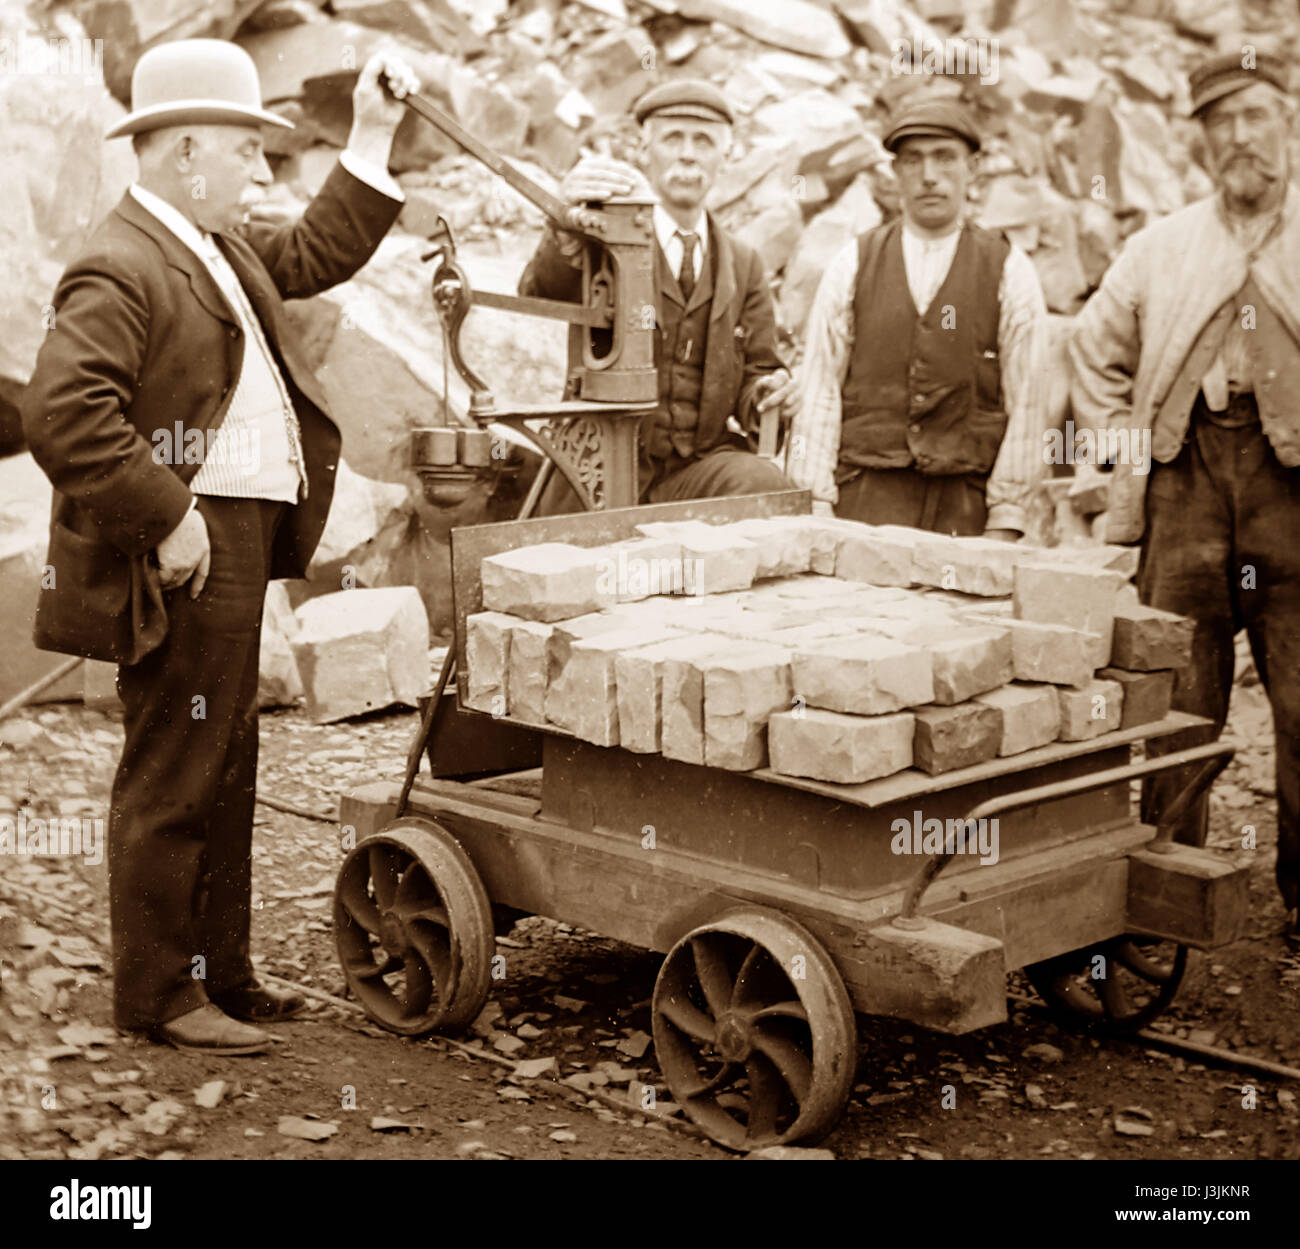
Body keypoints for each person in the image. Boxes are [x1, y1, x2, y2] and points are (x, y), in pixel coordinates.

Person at [21, 39, 420, 1053]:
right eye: (247, 150)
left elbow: (314, 253)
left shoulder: (214, 245)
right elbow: (65, 416)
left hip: (232, 538)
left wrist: (373, 134)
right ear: (187, 149)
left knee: (229, 757)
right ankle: (158, 994)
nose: (260, 170)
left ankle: (219, 972)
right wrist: (167, 513)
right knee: (174, 768)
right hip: (185, 548)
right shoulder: (120, 260)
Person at [1070, 52, 1300, 947]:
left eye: (1256, 116)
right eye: (1222, 123)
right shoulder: (1163, 245)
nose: (1241, 137)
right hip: (1188, 484)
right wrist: (1124, 453)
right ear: (1201, 141)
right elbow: (1092, 353)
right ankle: (1166, 889)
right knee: (1179, 702)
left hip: (1292, 495)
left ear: (1287, 122)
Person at [519, 79, 798, 509]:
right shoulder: (604, 237)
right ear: (643, 151)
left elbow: (758, 372)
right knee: (568, 548)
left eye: (703, 141)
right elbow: (541, 290)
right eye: (673, 138)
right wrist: (562, 221)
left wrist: (769, 393)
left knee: (766, 486)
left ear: (725, 157)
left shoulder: (744, 264)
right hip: (601, 461)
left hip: (697, 469)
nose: (688, 153)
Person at [788, 98, 1047, 538]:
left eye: (945, 158)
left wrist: (1007, 519)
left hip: (965, 503)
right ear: (895, 172)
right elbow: (819, 391)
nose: (929, 176)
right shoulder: (853, 262)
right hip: (865, 496)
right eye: (913, 161)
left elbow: (1029, 404)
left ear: (974, 169)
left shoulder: (1008, 269)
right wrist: (816, 504)